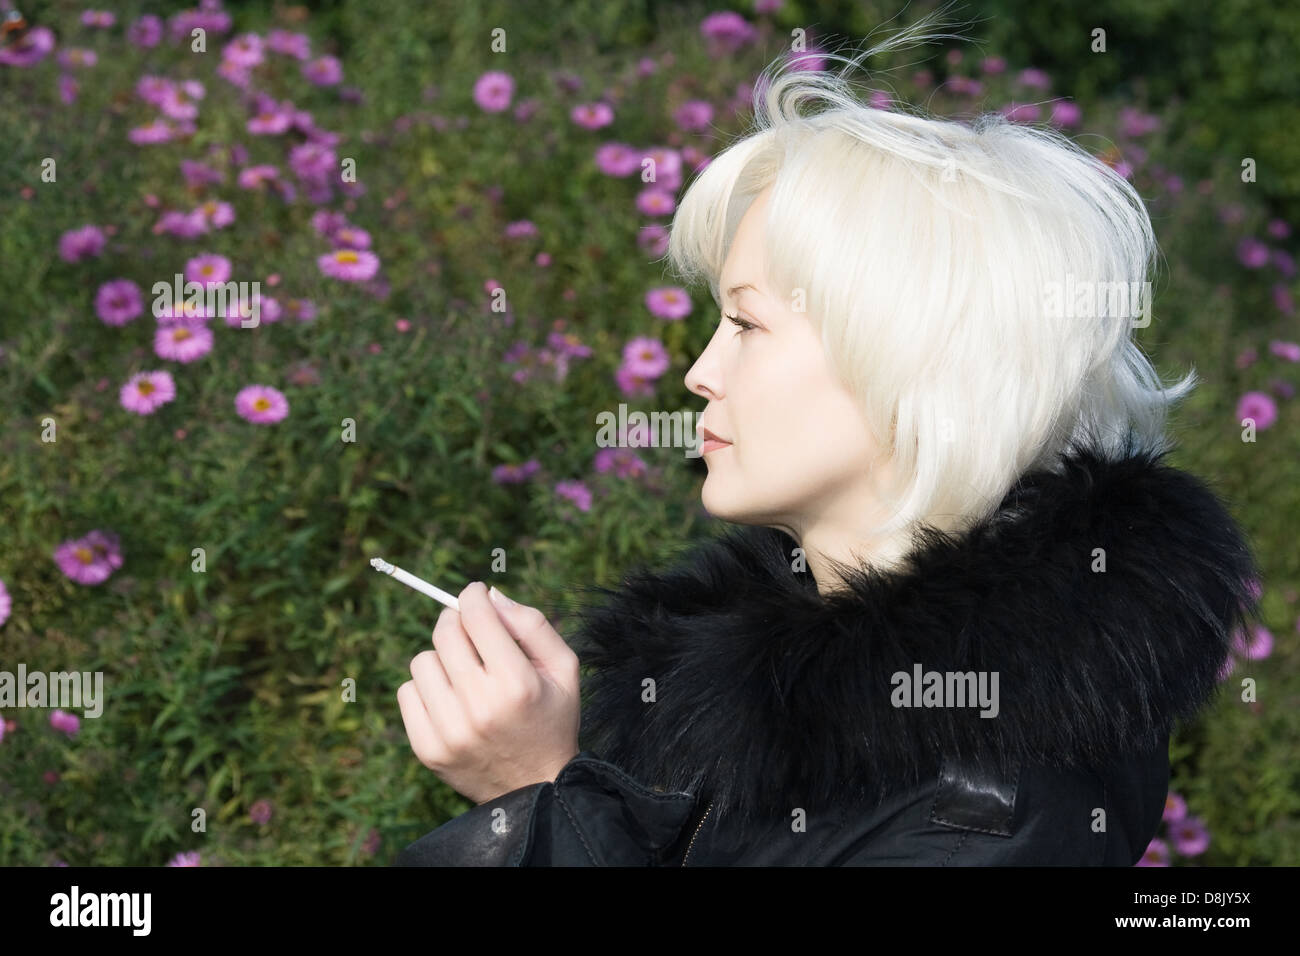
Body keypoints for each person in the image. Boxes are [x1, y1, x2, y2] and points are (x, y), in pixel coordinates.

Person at [392, 20, 1262, 866]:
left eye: (746, 323)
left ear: (906, 362)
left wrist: (538, 800)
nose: (699, 372)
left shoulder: (989, 807)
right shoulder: (761, 685)